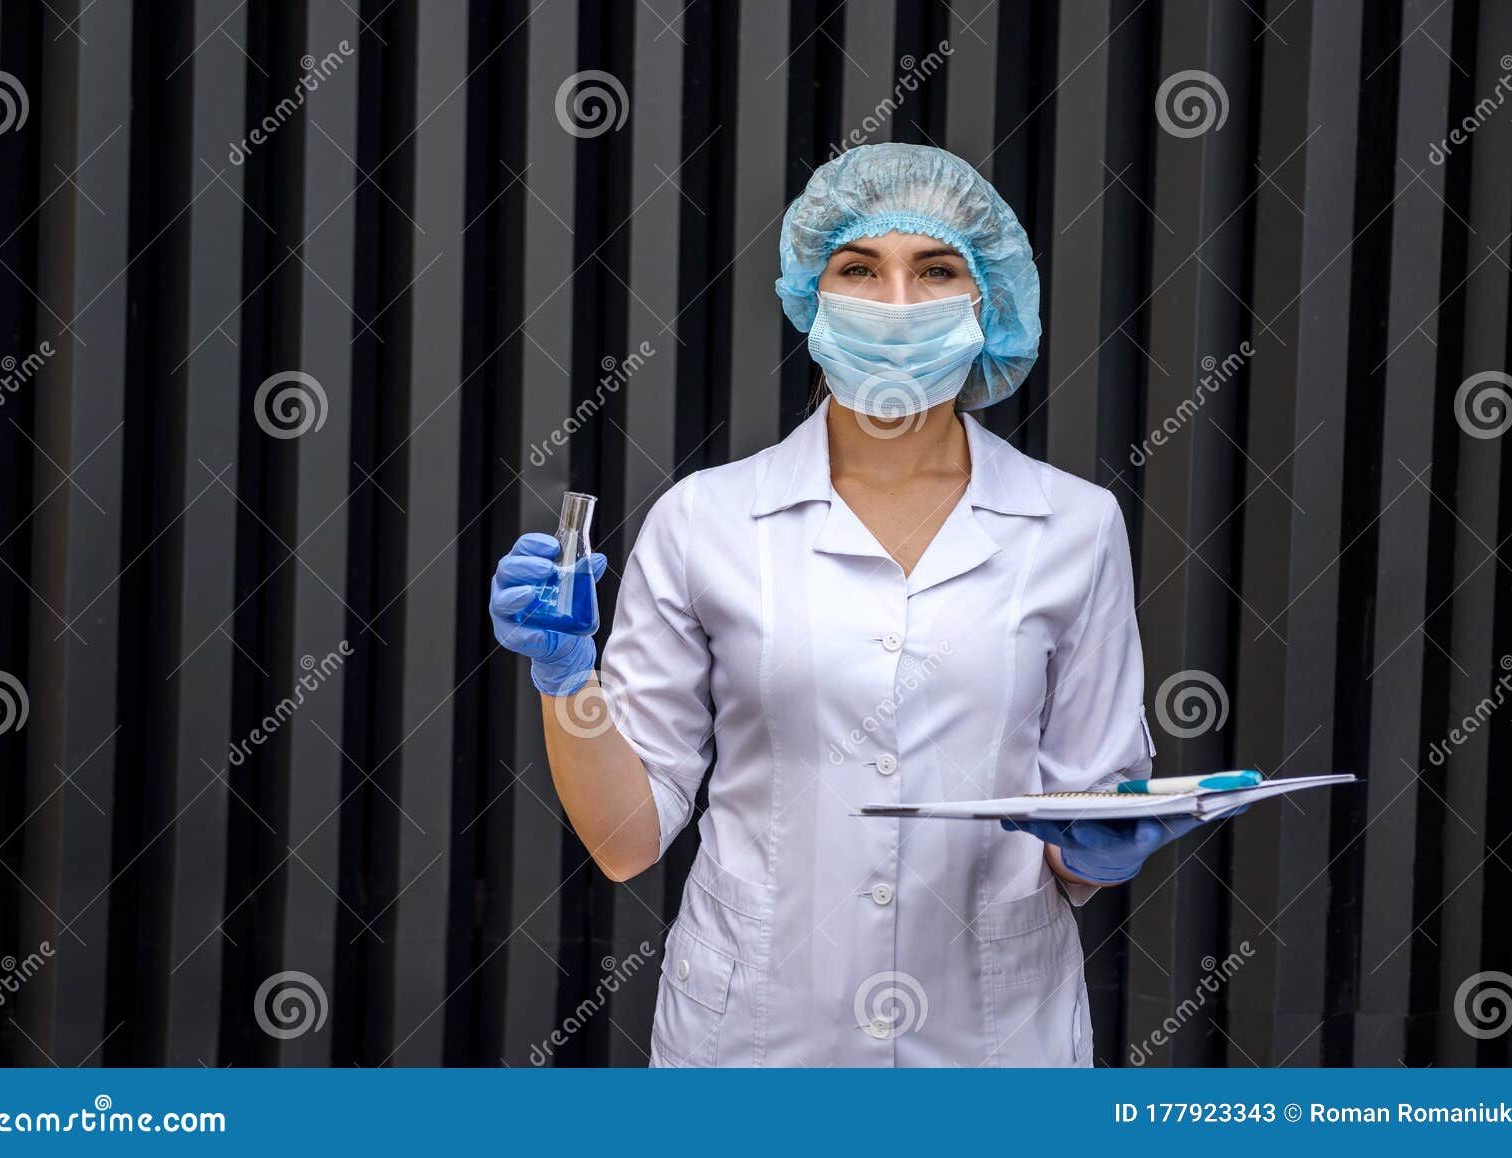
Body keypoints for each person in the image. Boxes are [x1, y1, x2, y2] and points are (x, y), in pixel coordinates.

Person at [489, 142, 1220, 1066]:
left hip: (994, 1043)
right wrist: (567, 681)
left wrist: (1100, 847)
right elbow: (627, 843)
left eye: (938, 269)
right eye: (861, 268)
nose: (898, 301)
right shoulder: (707, 519)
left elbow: (1079, 830)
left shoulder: (1072, 525)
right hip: (755, 1041)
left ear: (987, 299)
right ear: (813, 296)